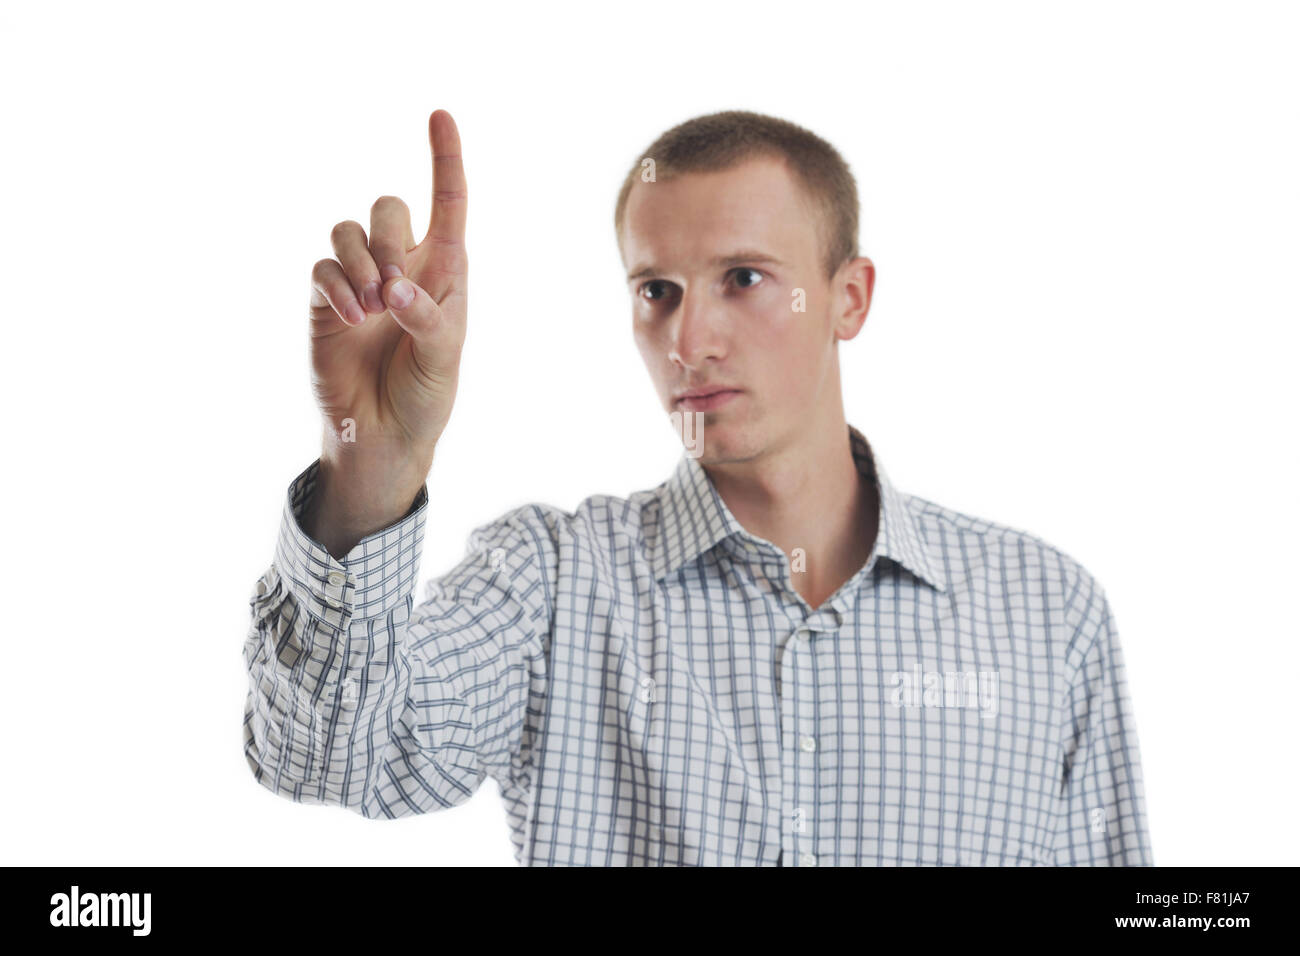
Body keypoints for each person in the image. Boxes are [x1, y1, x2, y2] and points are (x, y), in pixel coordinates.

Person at [243, 108, 1153, 867]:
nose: (690, 340)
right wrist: (367, 466)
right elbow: (325, 759)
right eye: (658, 291)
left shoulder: (1046, 611)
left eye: (744, 279)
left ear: (850, 298)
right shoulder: (553, 584)